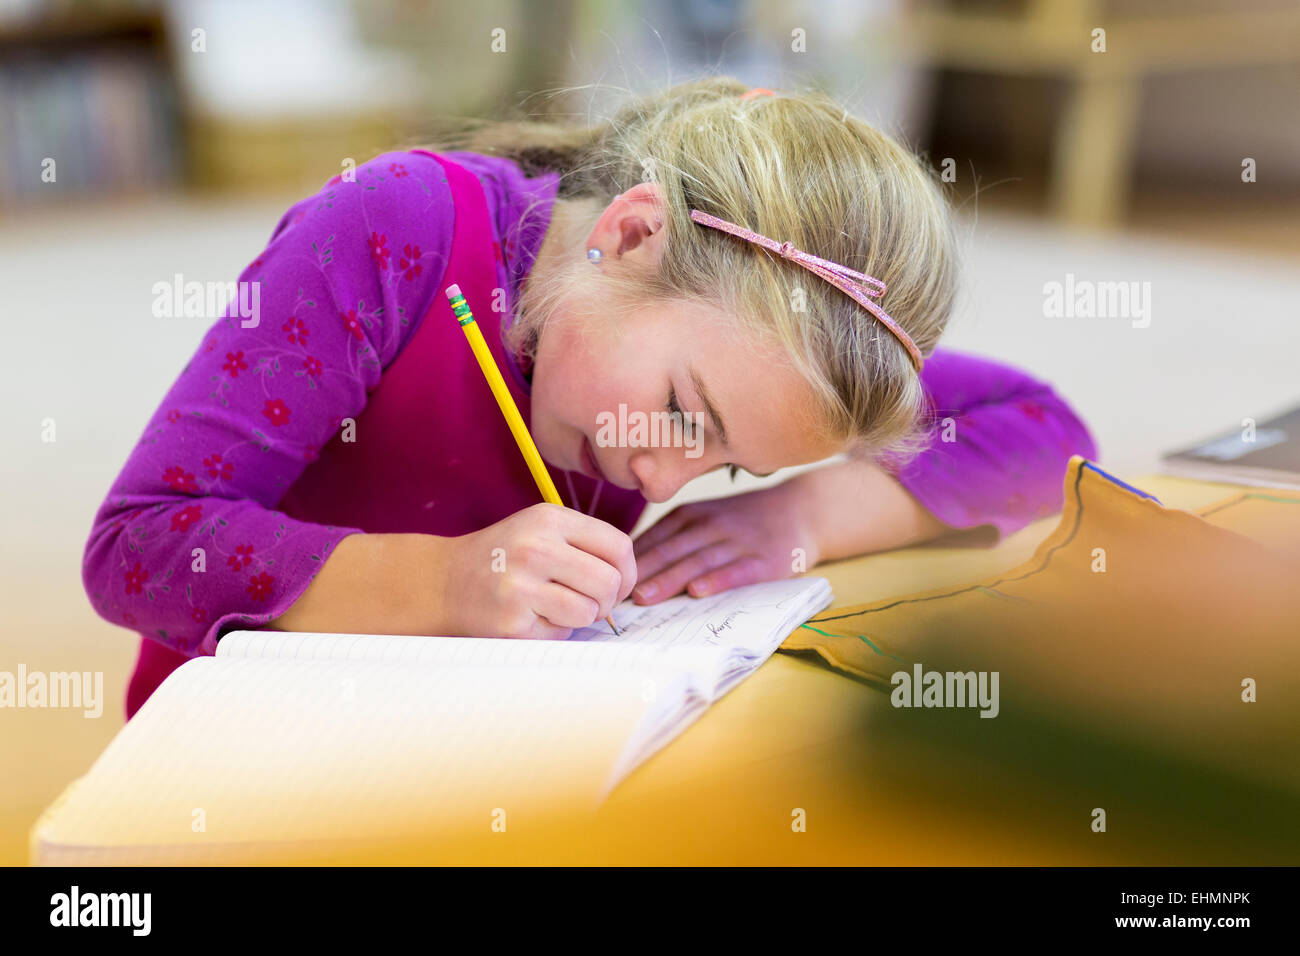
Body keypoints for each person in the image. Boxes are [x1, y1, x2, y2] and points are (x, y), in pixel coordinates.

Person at [81, 78, 1097, 720]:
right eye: (683, 412)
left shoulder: (752, 350)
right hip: (244, 749)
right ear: (630, 235)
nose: (663, 476)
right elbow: (139, 545)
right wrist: (444, 583)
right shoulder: (398, 226)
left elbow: (1045, 432)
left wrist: (796, 510)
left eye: (727, 462)